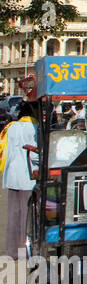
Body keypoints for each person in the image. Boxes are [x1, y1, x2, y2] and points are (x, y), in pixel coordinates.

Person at [2, 102, 38, 260]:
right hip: (27, 176)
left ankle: (12, 250)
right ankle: (26, 251)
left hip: (12, 175)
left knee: (13, 214)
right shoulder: (35, 128)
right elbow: (36, 154)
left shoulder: (11, 127)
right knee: (27, 215)